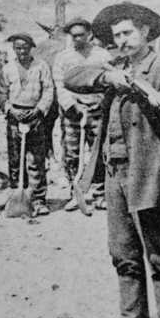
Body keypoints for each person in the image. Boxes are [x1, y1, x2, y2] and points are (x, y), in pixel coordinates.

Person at [63, 2, 160, 318]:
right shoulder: (114, 68)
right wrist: (107, 77)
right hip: (114, 174)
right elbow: (72, 77)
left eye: (127, 33)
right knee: (123, 254)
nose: (121, 40)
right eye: (116, 35)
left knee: (158, 255)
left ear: (145, 32)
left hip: (149, 175)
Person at [52, 18, 113, 211]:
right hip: (72, 112)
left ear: (89, 34)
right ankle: (75, 193)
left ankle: (100, 193)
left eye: (81, 35)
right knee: (72, 153)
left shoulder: (102, 55)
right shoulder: (63, 57)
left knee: (99, 153)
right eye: (74, 36)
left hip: (97, 110)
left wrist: (100, 102)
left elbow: (109, 82)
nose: (77, 39)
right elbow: (59, 84)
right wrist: (71, 105)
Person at [0, 32, 55, 217]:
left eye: (25, 48)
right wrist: (10, 110)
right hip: (15, 117)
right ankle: (17, 196)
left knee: (36, 160)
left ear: (31, 48)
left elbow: (48, 90)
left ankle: (38, 199)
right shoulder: (7, 69)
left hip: (35, 117)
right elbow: (1, 93)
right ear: (13, 49)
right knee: (15, 160)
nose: (22, 52)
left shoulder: (41, 66)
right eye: (18, 48)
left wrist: (39, 110)